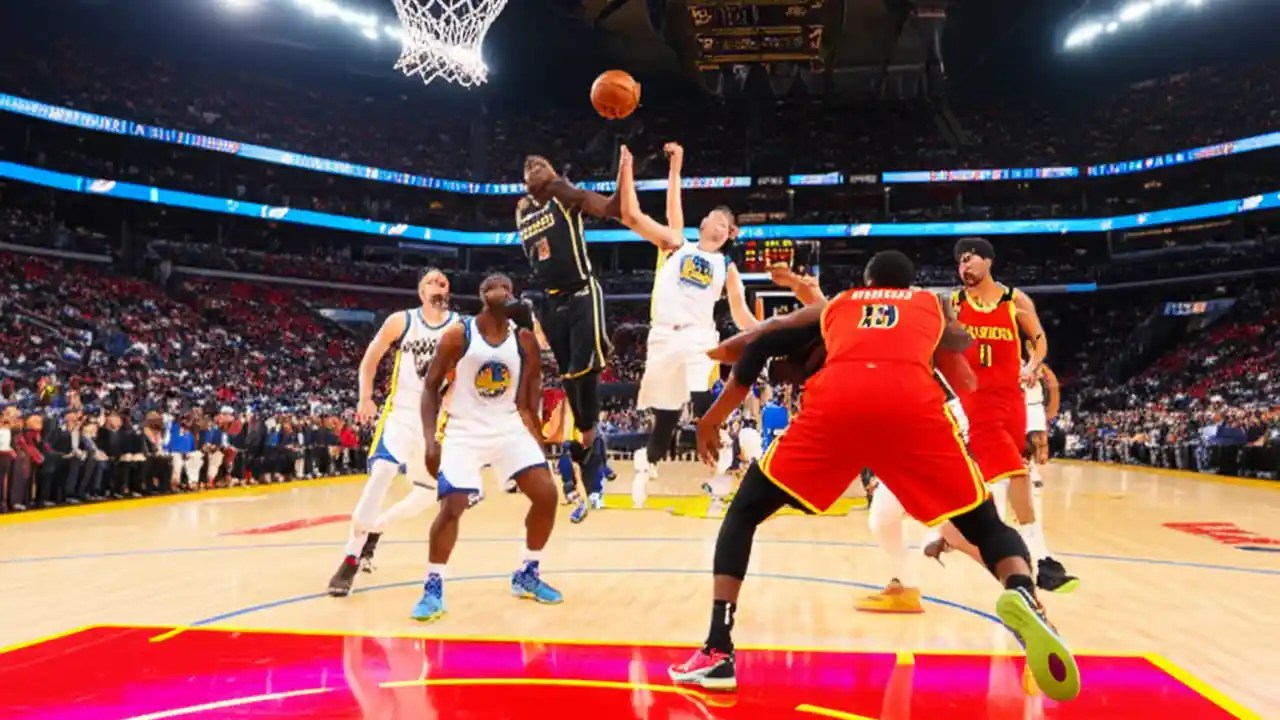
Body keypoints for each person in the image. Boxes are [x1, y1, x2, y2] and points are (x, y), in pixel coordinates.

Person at [667, 250, 1080, 703]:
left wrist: (711, 418)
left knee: (744, 512)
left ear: (865, 281)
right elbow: (966, 380)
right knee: (986, 525)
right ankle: (1023, 591)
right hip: (915, 412)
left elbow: (761, 341)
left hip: (839, 405)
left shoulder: (840, 303)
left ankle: (717, 650)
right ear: (909, 283)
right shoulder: (931, 305)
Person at [923, 238, 1077, 592]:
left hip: (1012, 401)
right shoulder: (953, 304)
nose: (964, 267)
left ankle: (950, 534)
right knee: (1016, 474)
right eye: (959, 262)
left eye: (970, 258)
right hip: (975, 401)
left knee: (1001, 478)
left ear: (988, 261)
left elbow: (1039, 340)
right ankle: (1041, 560)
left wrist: (1034, 365)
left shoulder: (1015, 301)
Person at [615, 142, 758, 507]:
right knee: (664, 422)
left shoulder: (727, 267)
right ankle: (647, 461)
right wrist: (676, 167)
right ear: (704, 224)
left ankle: (724, 460)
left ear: (729, 235)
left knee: (703, 401)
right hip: (663, 336)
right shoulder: (676, 244)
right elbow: (670, 206)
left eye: (728, 224)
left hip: (699, 339)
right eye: (717, 217)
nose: (722, 223)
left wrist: (763, 333)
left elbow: (740, 312)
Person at [411, 273, 561, 621]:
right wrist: (430, 439)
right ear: (483, 294)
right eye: (496, 287)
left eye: (508, 287)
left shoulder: (524, 338)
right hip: (464, 430)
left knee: (547, 494)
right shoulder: (458, 335)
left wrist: (535, 435)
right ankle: (433, 585)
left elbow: (532, 387)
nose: (503, 291)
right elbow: (431, 387)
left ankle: (528, 572)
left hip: (507, 426)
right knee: (453, 506)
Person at [327, 269, 461, 597]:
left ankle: (376, 530)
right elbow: (370, 359)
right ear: (420, 291)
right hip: (400, 414)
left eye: (443, 282)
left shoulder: (460, 327)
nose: (438, 285)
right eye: (432, 281)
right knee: (381, 474)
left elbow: (465, 372)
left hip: (434, 423)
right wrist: (364, 397)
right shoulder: (401, 321)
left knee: (432, 493)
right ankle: (350, 559)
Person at [519, 152, 623, 523]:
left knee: (584, 370)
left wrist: (623, 171)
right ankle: (586, 450)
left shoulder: (564, 195)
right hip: (549, 302)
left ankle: (591, 462)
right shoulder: (522, 210)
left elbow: (613, 207)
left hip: (581, 292)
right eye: (527, 166)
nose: (532, 165)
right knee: (568, 378)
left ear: (553, 172)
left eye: (540, 163)